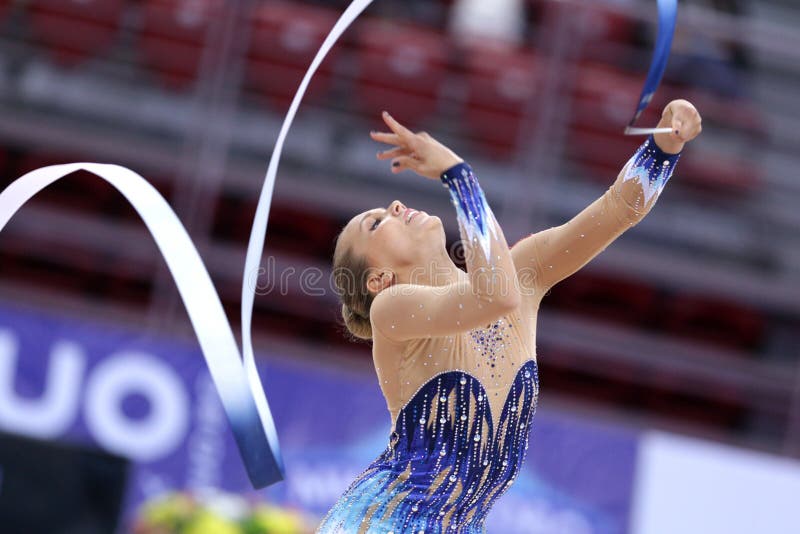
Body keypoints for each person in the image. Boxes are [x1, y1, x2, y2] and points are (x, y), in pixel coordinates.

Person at [318, 101, 702, 533]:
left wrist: (663, 147)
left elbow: (617, 211)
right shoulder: (393, 312)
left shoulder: (525, 275)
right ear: (378, 280)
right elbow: (494, 296)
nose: (393, 204)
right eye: (374, 224)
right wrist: (458, 175)